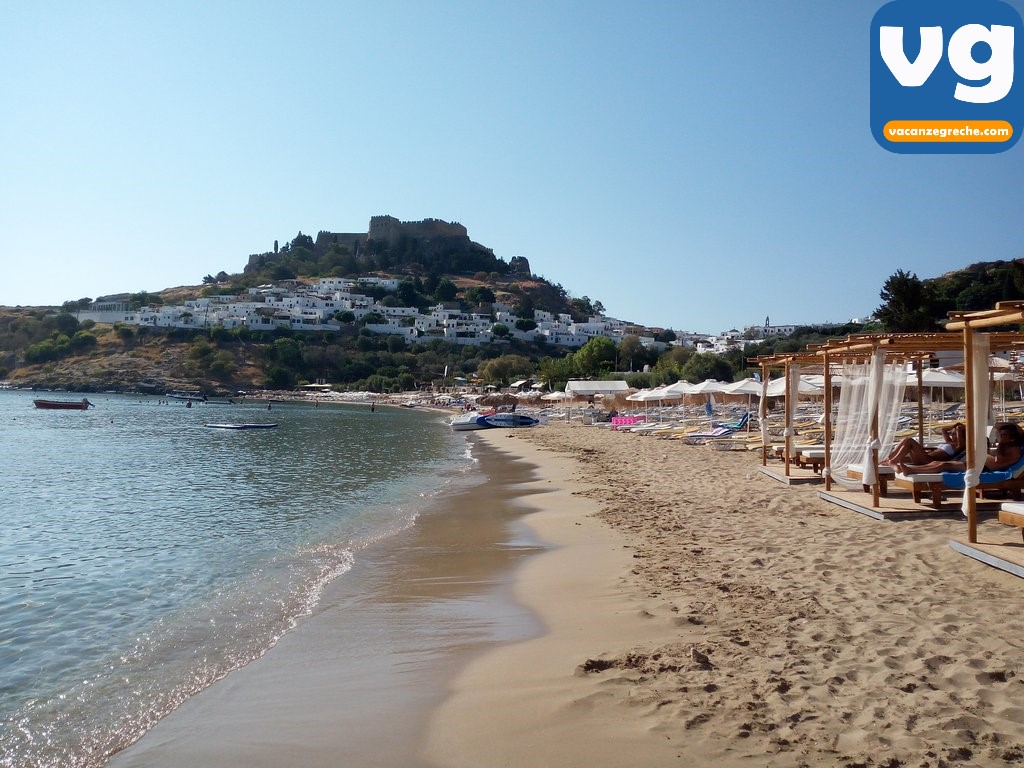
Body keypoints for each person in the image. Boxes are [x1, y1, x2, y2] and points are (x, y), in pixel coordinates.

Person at [897, 422, 1024, 475]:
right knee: (939, 463)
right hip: (978, 463)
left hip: (983, 468)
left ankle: (912, 471)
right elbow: (998, 426)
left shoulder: (1015, 450)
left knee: (943, 466)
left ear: (1012, 438)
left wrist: (1000, 445)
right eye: (1000, 435)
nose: (1000, 438)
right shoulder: (1009, 446)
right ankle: (911, 469)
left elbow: (998, 462)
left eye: (1003, 436)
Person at [881, 422, 966, 467]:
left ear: (960, 435)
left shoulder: (959, 446)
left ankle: (893, 461)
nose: (951, 434)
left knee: (909, 440)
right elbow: (943, 429)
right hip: (925, 457)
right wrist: (955, 427)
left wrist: (959, 428)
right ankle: (889, 459)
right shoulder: (950, 442)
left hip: (929, 461)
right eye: (951, 433)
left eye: (954, 433)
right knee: (905, 440)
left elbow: (958, 433)